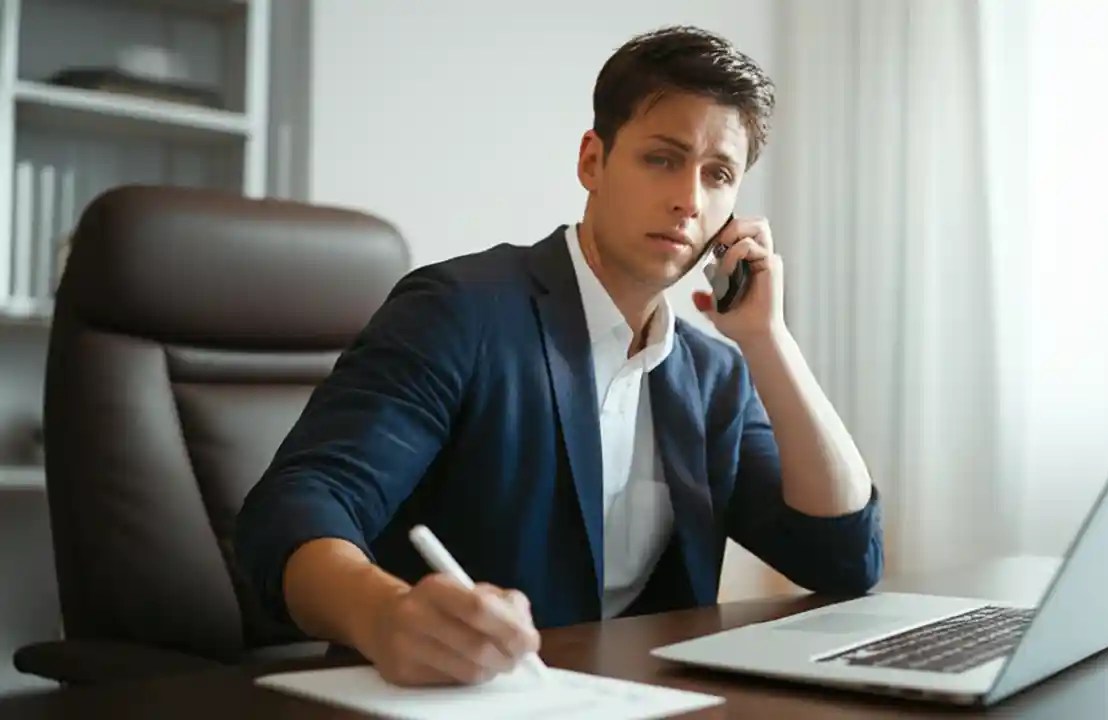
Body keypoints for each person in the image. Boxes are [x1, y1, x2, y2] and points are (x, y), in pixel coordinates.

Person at [235, 24, 882, 688]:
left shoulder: (713, 375)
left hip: (631, 699)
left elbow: (843, 558)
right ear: (592, 162)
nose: (690, 198)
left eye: (718, 174)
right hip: (456, 699)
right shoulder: (460, 311)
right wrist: (384, 615)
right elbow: (295, 506)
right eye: (662, 158)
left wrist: (767, 339)